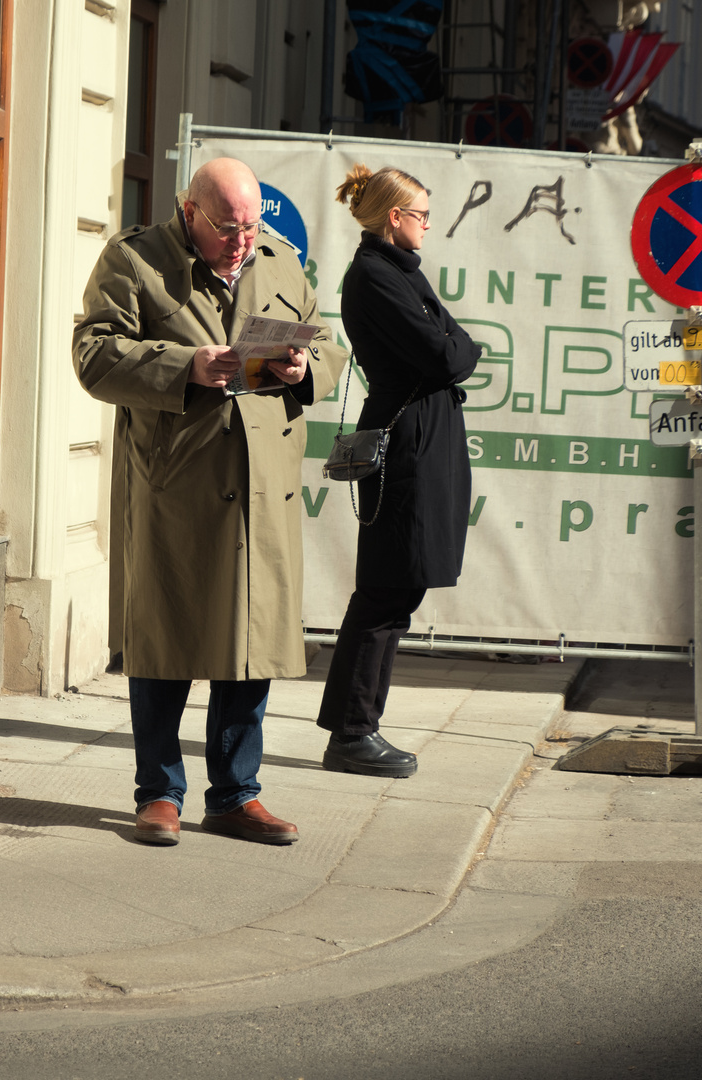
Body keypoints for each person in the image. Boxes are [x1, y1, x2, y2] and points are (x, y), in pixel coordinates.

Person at [73, 157, 346, 847]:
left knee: (247, 645)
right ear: (187, 210)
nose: (241, 242)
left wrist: (303, 367)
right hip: (175, 487)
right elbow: (94, 356)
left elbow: (333, 352)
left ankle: (235, 795)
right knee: (165, 641)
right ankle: (158, 793)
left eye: (250, 227)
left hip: (263, 488)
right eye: (227, 227)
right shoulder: (134, 261)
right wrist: (184, 366)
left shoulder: (280, 262)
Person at [314, 165, 480, 778]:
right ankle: (352, 733)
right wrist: (453, 345)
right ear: (394, 218)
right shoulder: (376, 277)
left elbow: (456, 348)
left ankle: (358, 727)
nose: (428, 226)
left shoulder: (398, 274)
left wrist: (454, 345)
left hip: (419, 435)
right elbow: (449, 353)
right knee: (386, 587)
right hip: (403, 441)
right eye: (422, 215)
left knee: (398, 588)